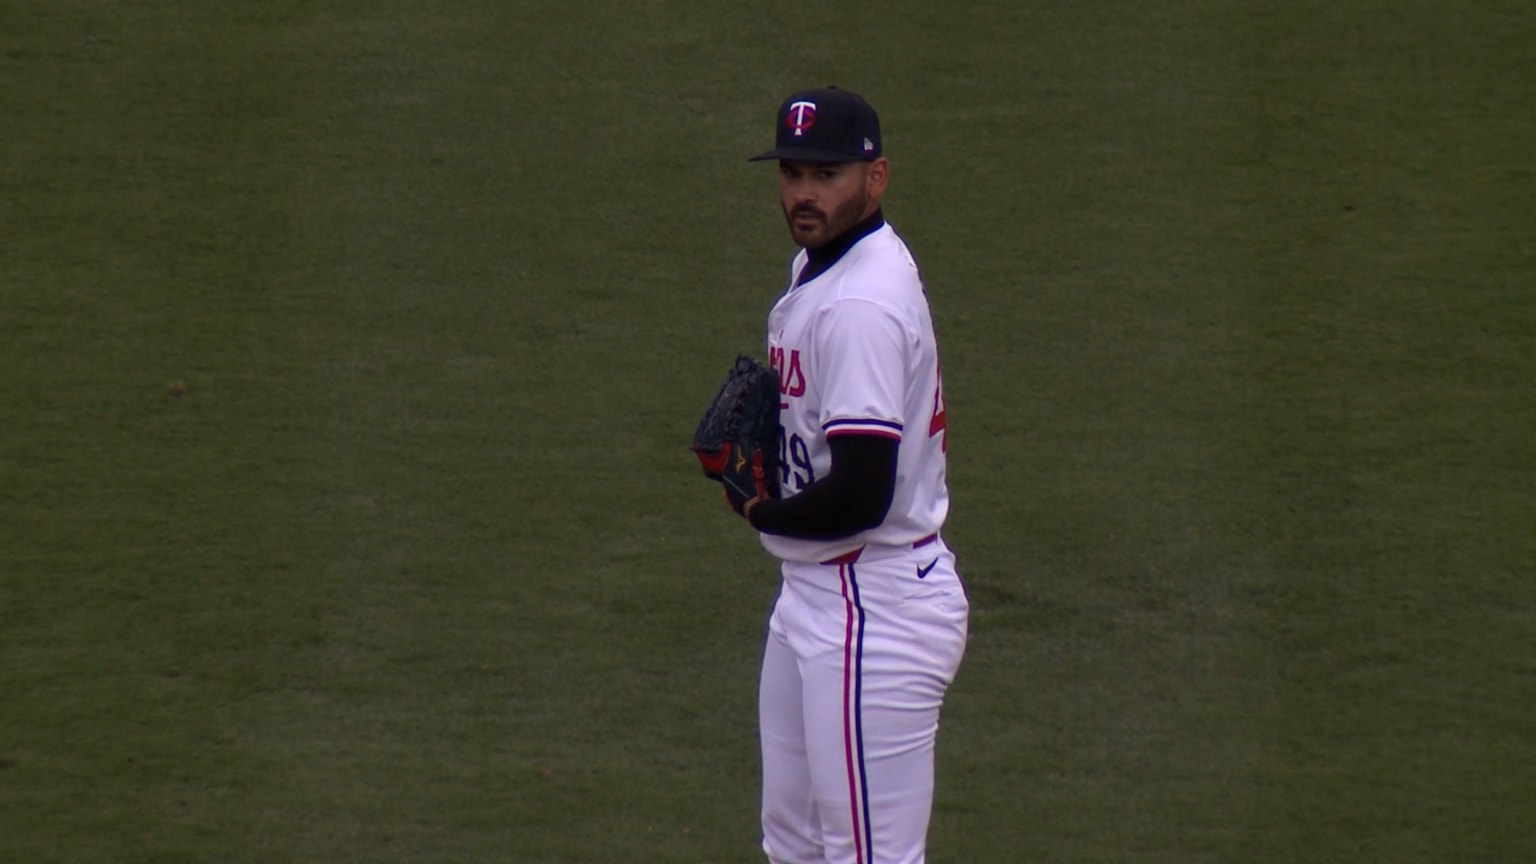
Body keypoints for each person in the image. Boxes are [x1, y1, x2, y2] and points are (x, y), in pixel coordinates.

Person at [735, 86, 970, 864]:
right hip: (817, 592)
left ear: (876, 177)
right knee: (795, 845)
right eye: (792, 173)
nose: (804, 194)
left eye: (826, 175)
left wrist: (761, 509)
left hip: (872, 604)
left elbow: (863, 494)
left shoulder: (861, 304)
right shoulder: (824, 264)